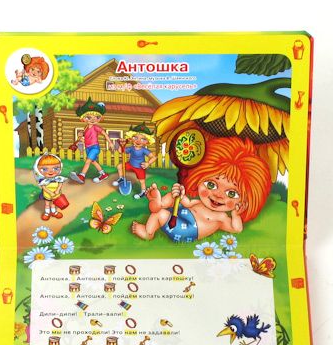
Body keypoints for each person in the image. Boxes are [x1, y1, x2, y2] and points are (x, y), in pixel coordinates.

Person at [131, 137, 271, 242]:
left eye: (231, 193)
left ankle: (148, 232)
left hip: (187, 231)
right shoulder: (198, 203)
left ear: (243, 202)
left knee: (160, 214)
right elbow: (187, 203)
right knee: (176, 197)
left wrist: (235, 214)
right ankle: (159, 202)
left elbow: (237, 229)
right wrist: (180, 194)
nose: (218, 195)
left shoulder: (222, 218)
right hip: (182, 215)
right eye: (211, 185)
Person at [69, 98, 114, 184]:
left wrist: (110, 142)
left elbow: (104, 134)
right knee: (93, 161)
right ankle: (103, 174)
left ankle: (82, 176)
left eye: (96, 117)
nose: (93, 119)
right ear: (83, 118)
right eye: (89, 117)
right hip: (88, 147)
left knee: (88, 161)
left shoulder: (96, 127)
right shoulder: (85, 128)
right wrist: (80, 139)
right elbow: (86, 140)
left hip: (94, 147)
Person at [112, 123, 157, 197]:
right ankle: (121, 178)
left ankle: (143, 192)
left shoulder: (144, 150)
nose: (138, 141)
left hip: (139, 167)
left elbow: (154, 157)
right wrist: (121, 145)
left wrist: (148, 163)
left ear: (147, 142)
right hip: (130, 164)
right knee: (119, 166)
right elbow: (121, 151)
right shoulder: (131, 148)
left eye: (143, 139)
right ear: (131, 138)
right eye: (135, 138)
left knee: (142, 181)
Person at [33, 153, 69, 220]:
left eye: (56, 168)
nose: (51, 171)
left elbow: (60, 183)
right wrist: (50, 193)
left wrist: (57, 190)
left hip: (56, 194)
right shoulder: (44, 180)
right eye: (45, 169)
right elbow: (44, 187)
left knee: (54, 204)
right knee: (47, 204)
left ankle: (54, 212)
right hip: (48, 194)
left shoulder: (58, 178)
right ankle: (47, 213)